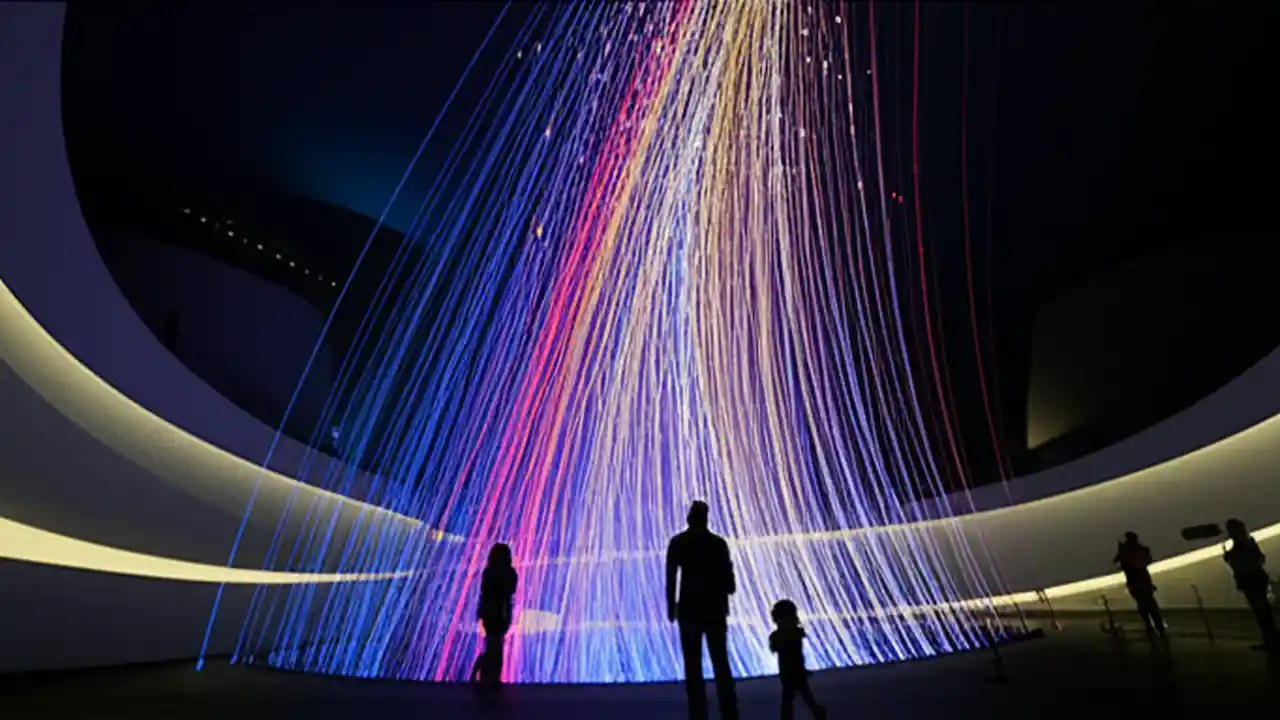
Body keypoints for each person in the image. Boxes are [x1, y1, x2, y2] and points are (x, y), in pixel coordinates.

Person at [667, 501, 740, 720]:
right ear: (706, 518)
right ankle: (728, 707)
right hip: (714, 610)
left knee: (693, 664)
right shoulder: (718, 544)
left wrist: (671, 606)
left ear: (689, 518)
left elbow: (671, 577)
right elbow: (729, 580)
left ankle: (698, 710)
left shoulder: (679, 543)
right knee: (720, 661)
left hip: (689, 611)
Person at [1223, 519, 1278, 648]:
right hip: (1257, 580)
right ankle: (1272, 638)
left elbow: (1242, 564)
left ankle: (1271, 639)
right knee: (1264, 611)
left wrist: (1230, 558)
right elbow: (1260, 559)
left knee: (1261, 612)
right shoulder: (1249, 542)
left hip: (1250, 581)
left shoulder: (1240, 547)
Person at [769, 600, 827, 720]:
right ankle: (817, 712)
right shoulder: (793, 634)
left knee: (791, 698)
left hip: (790, 671)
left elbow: (778, 649)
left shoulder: (784, 635)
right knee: (801, 695)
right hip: (793, 671)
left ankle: (816, 712)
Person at [473, 543, 518, 689]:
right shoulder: (509, 573)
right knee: (497, 645)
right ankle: (491, 676)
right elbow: (510, 591)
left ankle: (486, 674)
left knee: (493, 644)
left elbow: (484, 593)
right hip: (501, 613)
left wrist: (480, 612)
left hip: (491, 612)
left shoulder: (488, 572)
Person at [1112, 531, 1164, 636]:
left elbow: (1117, 562)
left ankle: (1150, 627)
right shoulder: (1142, 550)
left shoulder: (1126, 552)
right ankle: (1159, 627)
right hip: (1144, 581)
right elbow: (1147, 561)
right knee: (1151, 605)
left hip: (1135, 582)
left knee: (1143, 606)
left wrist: (1121, 551)